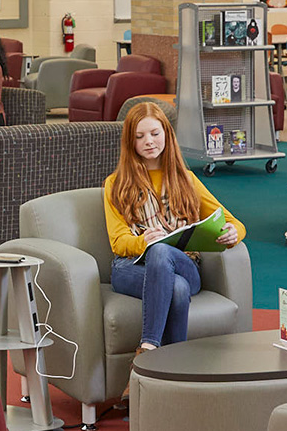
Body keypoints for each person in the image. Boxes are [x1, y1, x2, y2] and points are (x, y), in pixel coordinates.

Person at [105, 101, 245, 352]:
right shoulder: (116, 183)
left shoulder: (186, 180)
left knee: (162, 253)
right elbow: (118, 241)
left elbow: (231, 221)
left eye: (155, 134)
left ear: (167, 136)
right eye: (140, 136)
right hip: (130, 268)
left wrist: (234, 233)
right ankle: (174, 367)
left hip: (184, 263)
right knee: (177, 287)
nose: (149, 141)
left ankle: (148, 349)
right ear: (130, 142)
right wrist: (143, 241)